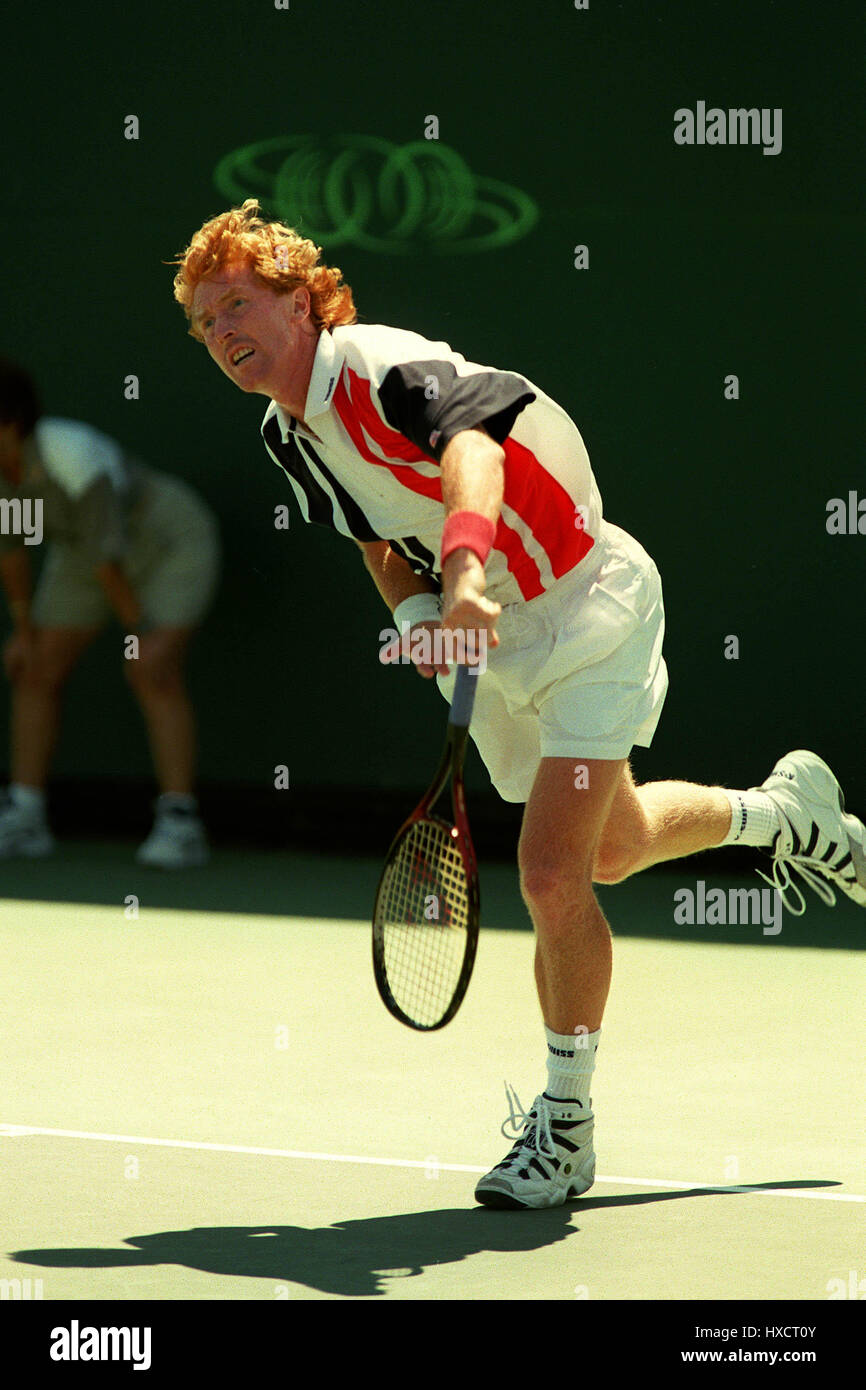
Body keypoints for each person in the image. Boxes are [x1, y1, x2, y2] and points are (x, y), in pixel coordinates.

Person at [170, 199, 865, 1209]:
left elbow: (475, 455)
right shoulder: (290, 435)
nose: (222, 331)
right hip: (494, 644)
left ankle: (566, 1127)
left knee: (548, 875)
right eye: (202, 323)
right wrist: (417, 610)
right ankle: (782, 813)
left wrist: (457, 580)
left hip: (589, 610)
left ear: (301, 300)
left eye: (238, 302)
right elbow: (375, 537)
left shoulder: (376, 368)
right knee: (610, 848)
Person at [0, 359, 220, 868]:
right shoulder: (5, 470)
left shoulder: (67, 452)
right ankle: (25, 816)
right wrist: (23, 631)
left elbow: (106, 559)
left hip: (168, 541)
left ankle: (180, 822)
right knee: (34, 666)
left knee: (150, 668)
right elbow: (13, 547)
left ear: (9, 421)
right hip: (90, 560)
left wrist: (138, 631)